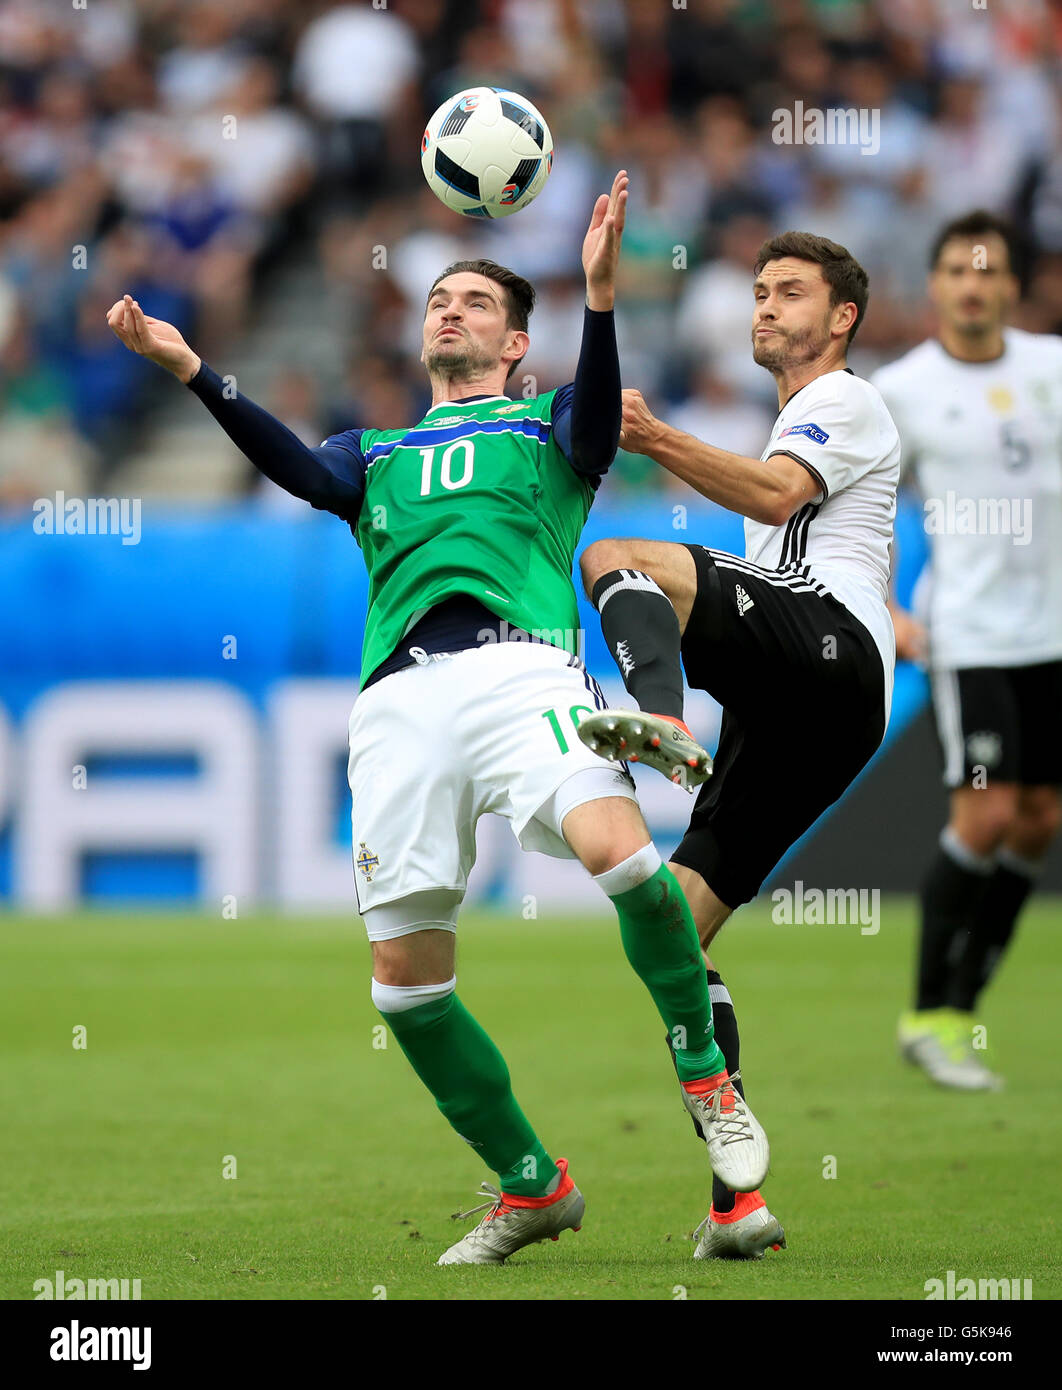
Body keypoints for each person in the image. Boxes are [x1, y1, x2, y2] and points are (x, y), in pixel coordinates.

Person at [105, 172, 769, 1267]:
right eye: (439, 301)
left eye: (474, 303)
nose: (448, 311)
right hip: (399, 706)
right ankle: (532, 1185)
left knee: (630, 865)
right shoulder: (374, 454)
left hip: (524, 675)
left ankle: (707, 1076)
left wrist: (599, 302)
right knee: (405, 989)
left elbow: (601, 424)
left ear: (517, 344)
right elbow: (293, 469)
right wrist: (193, 372)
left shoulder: (550, 424)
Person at [577, 231, 898, 1259]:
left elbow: (775, 498)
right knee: (667, 930)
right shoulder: (801, 413)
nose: (763, 306)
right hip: (813, 709)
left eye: (788, 292)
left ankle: (662, 718)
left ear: (841, 317)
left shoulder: (841, 398)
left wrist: (656, 438)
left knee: (619, 555)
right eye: (758, 291)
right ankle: (738, 1200)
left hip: (830, 654)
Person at [873, 210, 1062, 1091]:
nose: (973, 284)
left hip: (1054, 634)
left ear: (1014, 285)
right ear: (938, 285)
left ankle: (964, 1001)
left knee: (1039, 821)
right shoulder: (904, 390)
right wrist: (886, 607)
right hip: (974, 634)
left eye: (988, 270)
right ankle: (930, 1015)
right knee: (984, 817)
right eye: (956, 270)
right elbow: (855, 507)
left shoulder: (1052, 369)